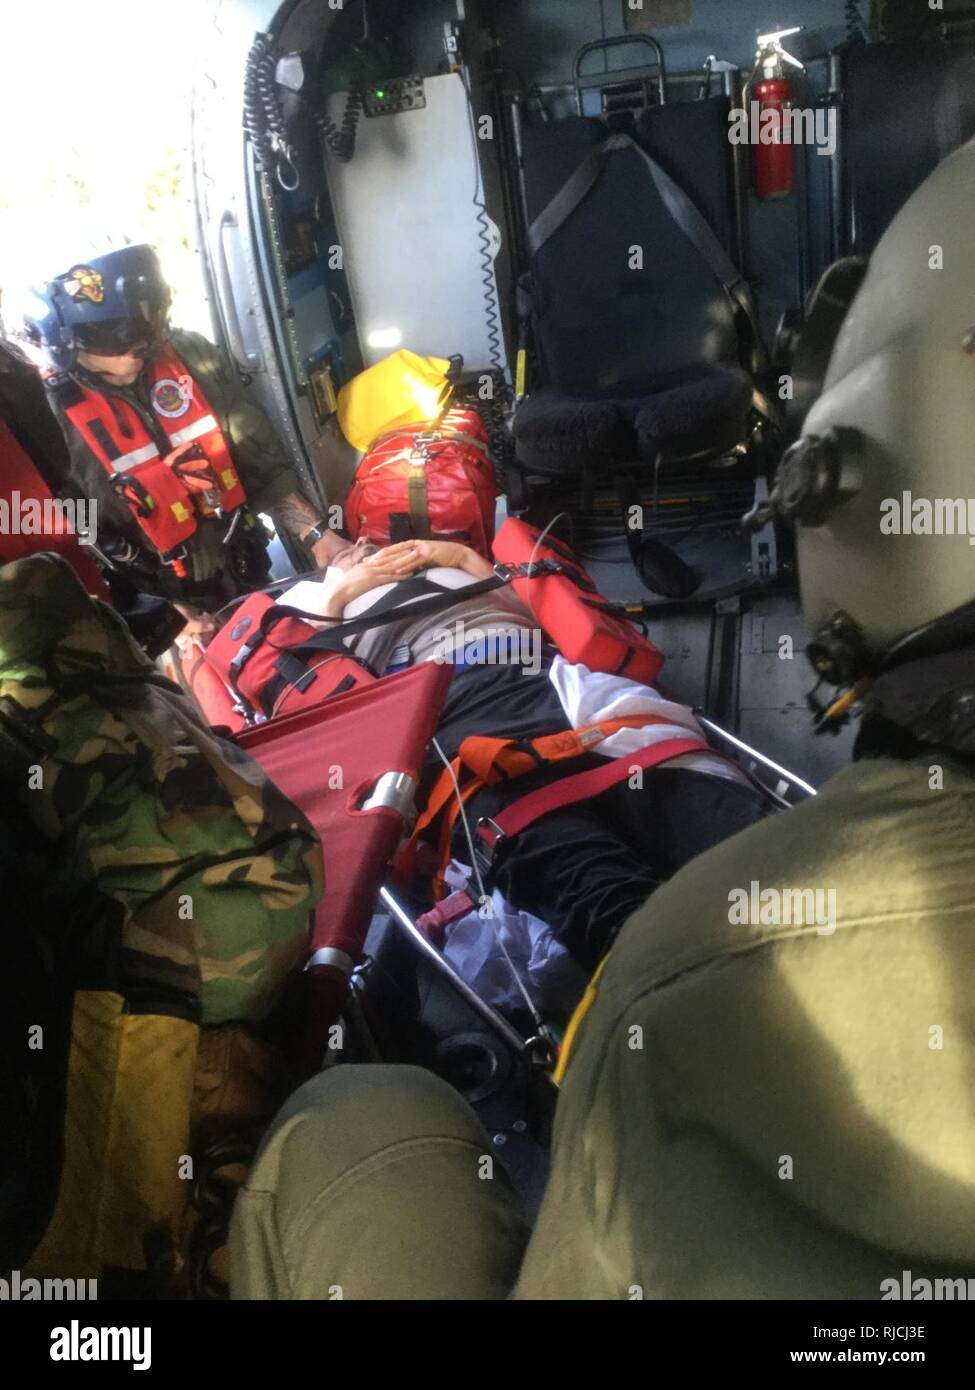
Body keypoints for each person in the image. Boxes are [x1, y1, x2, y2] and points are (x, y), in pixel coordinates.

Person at [228, 137, 975, 1300]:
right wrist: (348, 591)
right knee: (626, 909)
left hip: (568, 712)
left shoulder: (491, 562)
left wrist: (460, 565)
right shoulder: (317, 601)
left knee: (737, 863)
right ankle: (697, 1047)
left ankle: (700, 1071)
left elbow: (579, 630)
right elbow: (261, 662)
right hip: (482, 744)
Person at [297, 533, 768, 972]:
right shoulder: (322, 614)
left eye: (368, 540)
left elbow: (522, 606)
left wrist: (455, 556)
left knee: (741, 840)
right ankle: (671, 982)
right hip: (458, 716)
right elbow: (333, 712)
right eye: (346, 552)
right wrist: (338, 596)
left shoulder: (450, 564)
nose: (362, 542)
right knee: (602, 895)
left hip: (549, 679)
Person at [21, 243, 348, 650]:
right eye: (121, 338)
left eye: (148, 329)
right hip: (170, 613)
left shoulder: (187, 356)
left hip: (245, 569)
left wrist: (318, 535)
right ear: (67, 340)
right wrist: (150, 613)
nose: (141, 348)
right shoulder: (40, 413)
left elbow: (258, 458)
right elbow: (70, 537)